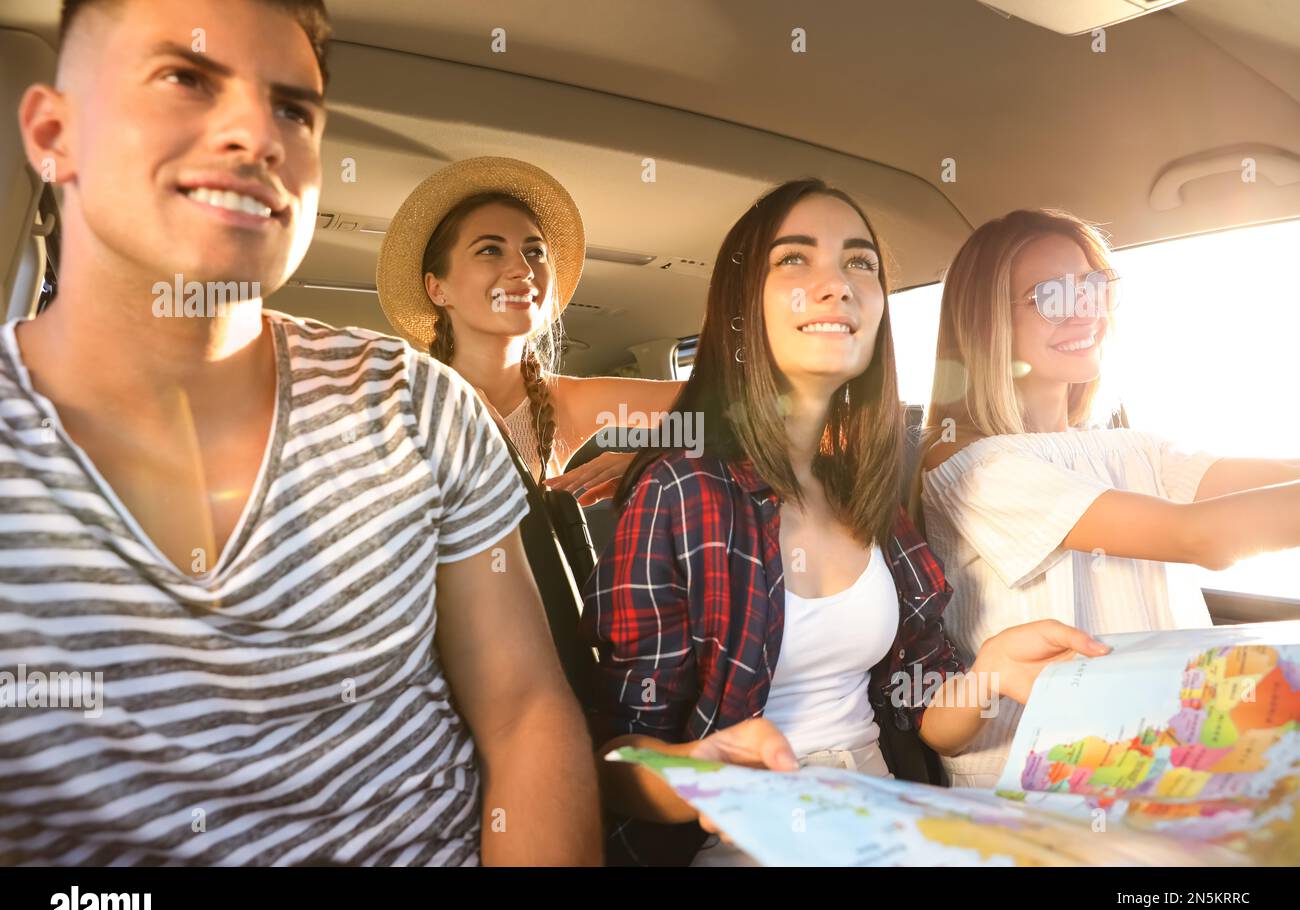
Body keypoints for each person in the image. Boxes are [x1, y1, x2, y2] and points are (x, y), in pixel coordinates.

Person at [1, 0, 599, 866]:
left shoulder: (418, 406)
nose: (257, 133)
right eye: (186, 78)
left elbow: (526, 713)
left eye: (294, 110)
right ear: (54, 133)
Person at [581, 181, 1108, 866]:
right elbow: (616, 756)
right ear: (743, 310)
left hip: (889, 820)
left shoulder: (867, 496)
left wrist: (992, 673)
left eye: (860, 263)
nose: (837, 285)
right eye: (795, 261)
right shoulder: (682, 489)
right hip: (752, 840)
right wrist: (701, 771)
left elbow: (929, 716)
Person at [915, 208, 1300, 788]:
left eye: (1093, 286)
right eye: (1050, 295)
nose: (1084, 308)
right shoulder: (973, 466)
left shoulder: (1127, 447)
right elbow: (1200, 536)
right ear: (987, 322)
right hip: (1044, 782)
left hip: (1157, 756)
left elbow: (1256, 483)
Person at [376, 157, 682, 502]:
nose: (522, 268)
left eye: (535, 251)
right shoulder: (396, 399)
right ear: (437, 289)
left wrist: (654, 460)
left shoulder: (568, 403)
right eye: (490, 249)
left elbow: (730, 413)